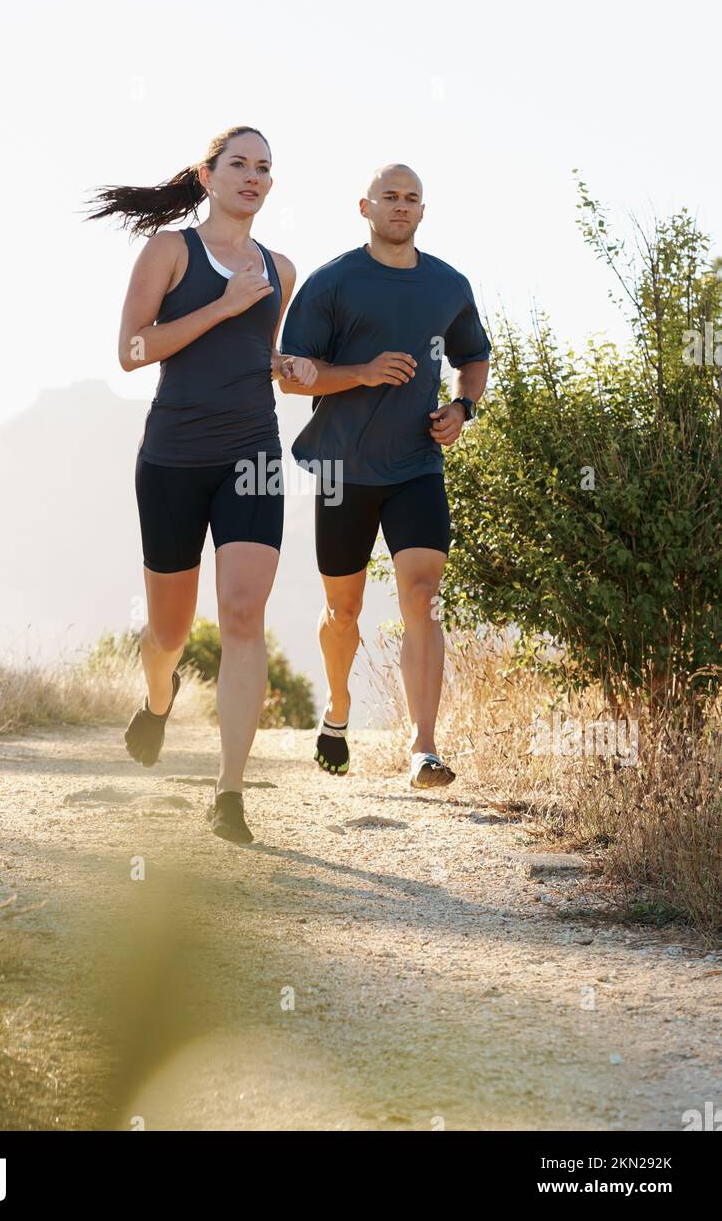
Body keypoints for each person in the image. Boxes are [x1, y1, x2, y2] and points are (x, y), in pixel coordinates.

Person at [87, 126, 316, 842]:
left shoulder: (282, 268)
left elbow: (256, 351)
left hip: (251, 454)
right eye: (239, 164)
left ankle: (230, 793)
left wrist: (289, 367)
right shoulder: (169, 252)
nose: (253, 176)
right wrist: (220, 305)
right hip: (173, 459)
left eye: (264, 169)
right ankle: (159, 701)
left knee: (244, 614)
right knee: (169, 631)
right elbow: (131, 350)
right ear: (208, 175)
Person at [277, 163, 490, 788]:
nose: (401, 207)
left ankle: (423, 746)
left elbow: (473, 356)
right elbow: (290, 373)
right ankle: (338, 707)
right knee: (343, 611)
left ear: (423, 210)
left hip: (416, 466)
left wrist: (462, 407)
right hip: (343, 468)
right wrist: (362, 373)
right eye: (390, 197)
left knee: (424, 597)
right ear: (365, 206)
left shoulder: (448, 285)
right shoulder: (334, 282)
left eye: (412, 198)